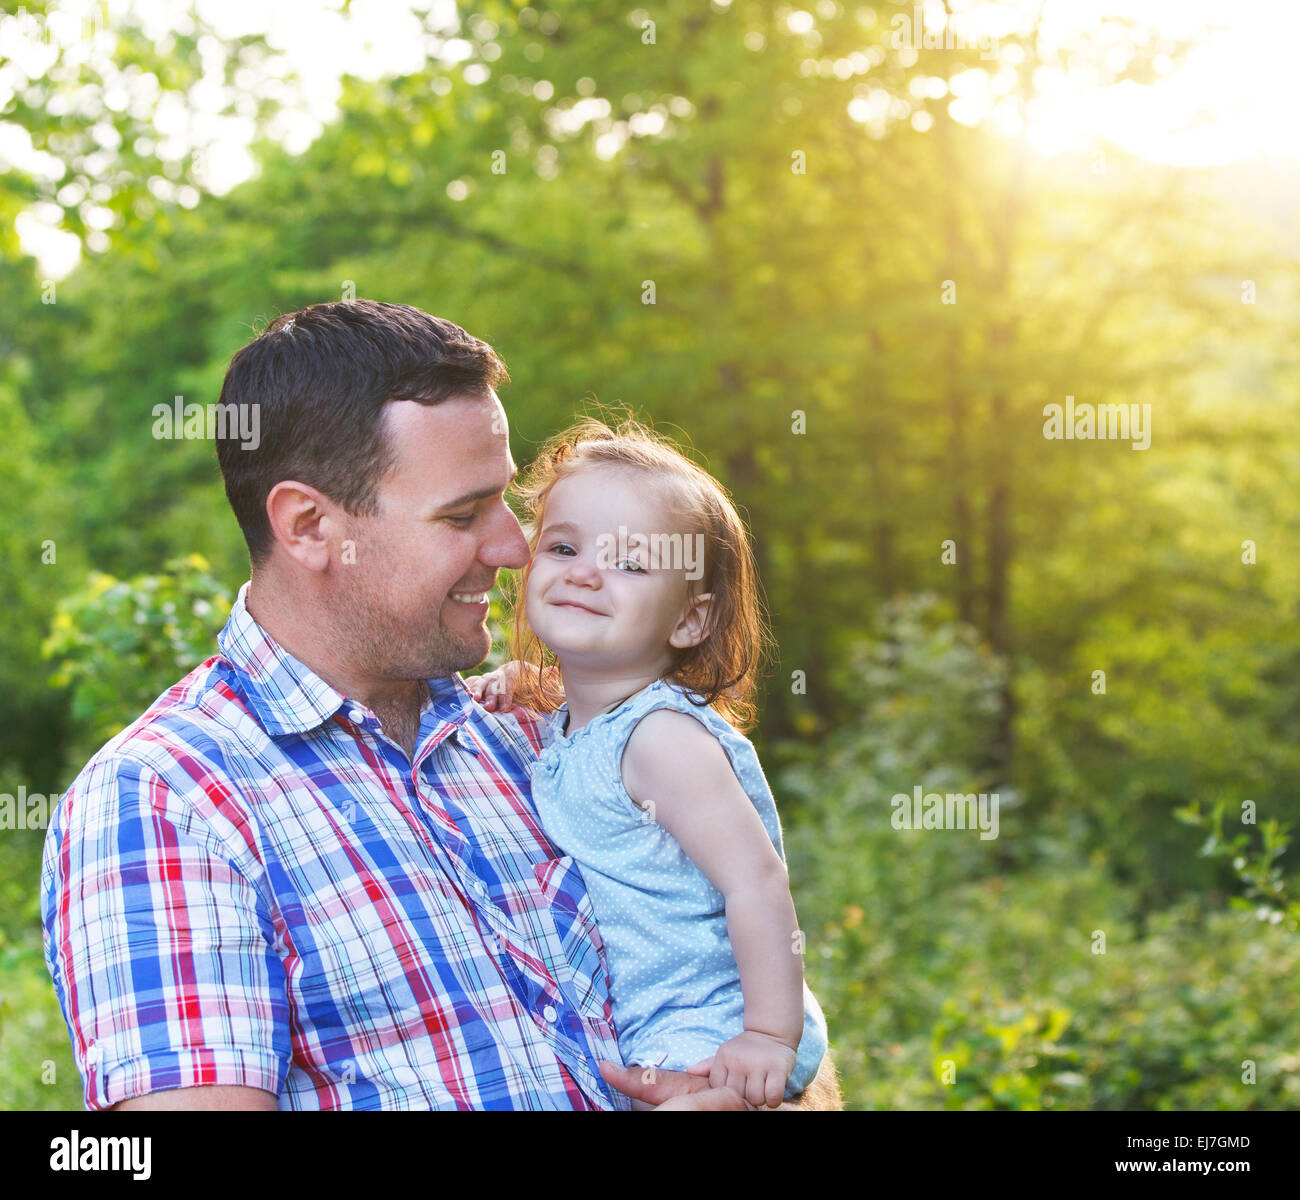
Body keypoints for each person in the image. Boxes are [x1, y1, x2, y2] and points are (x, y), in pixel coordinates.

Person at [40, 299, 842, 1110]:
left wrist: (764, 1092)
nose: (515, 548)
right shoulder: (166, 803)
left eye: (504, 502)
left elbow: (736, 990)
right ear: (311, 525)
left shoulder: (543, 731)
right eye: (463, 514)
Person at [467, 418, 829, 1109]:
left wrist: (769, 1037)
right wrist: (522, 681)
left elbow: (756, 880)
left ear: (690, 621)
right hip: (646, 1029)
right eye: (564, 546)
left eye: (631, 563)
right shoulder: (574, 721)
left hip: (708, 1030)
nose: (585, 572)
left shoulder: (660, 739)